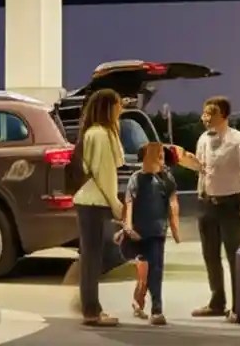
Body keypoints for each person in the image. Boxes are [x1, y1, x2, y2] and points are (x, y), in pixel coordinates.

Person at [175, 96, 240, 321]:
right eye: (205, 112)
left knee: (234, 255)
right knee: (210, 255)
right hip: (207, 203)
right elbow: (201, 168)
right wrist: (185, 160)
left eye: (212, 112)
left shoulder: (236, 140)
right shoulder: (203, 139)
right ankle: (217, 301)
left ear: (224, 116)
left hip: (230, 203)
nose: (207, 117)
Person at [73, 88, 125, 328]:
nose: (121, 109)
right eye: (118, 104)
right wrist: (116, 205)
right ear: (108, 108)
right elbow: (104, 174)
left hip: (89, 201)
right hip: (94, 202)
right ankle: (91, 310)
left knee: (91, 256)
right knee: (93, 258)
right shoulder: (101, 135)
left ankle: (89, 306)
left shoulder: (93, 133)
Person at [119, 142, 180, 326]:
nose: (160, 161)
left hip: (156, 235)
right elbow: (128, 203)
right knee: (144, 273)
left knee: (156, 271)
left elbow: (173, 204)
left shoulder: (166, 179)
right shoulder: (136, 179)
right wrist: (128, 227)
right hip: (137, 235)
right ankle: (139, 298)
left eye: (162, 157)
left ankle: (157, 310)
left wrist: (175, 228)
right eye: (156, 157)